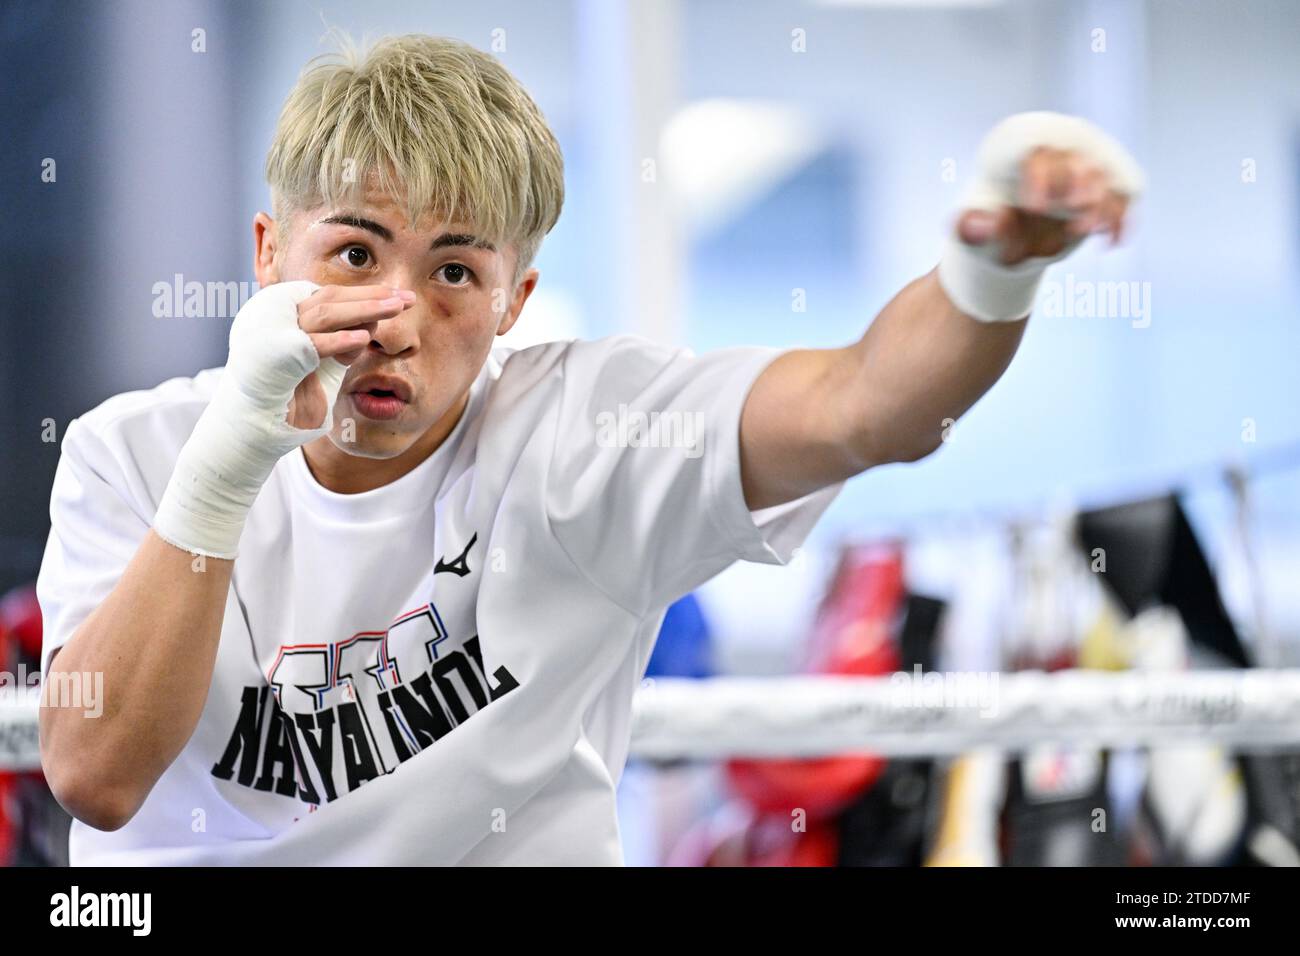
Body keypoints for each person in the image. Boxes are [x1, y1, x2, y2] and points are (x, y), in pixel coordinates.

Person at [35, 33, 1142, 865]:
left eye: (454, 270)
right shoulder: (131, 454)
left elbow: (865, 404)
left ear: (516, 298)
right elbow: (94, 775)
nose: (396, 314)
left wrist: (995, 269)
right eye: (355, 252)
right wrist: (229, 457)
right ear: (271, 252)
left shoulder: (585, 435)